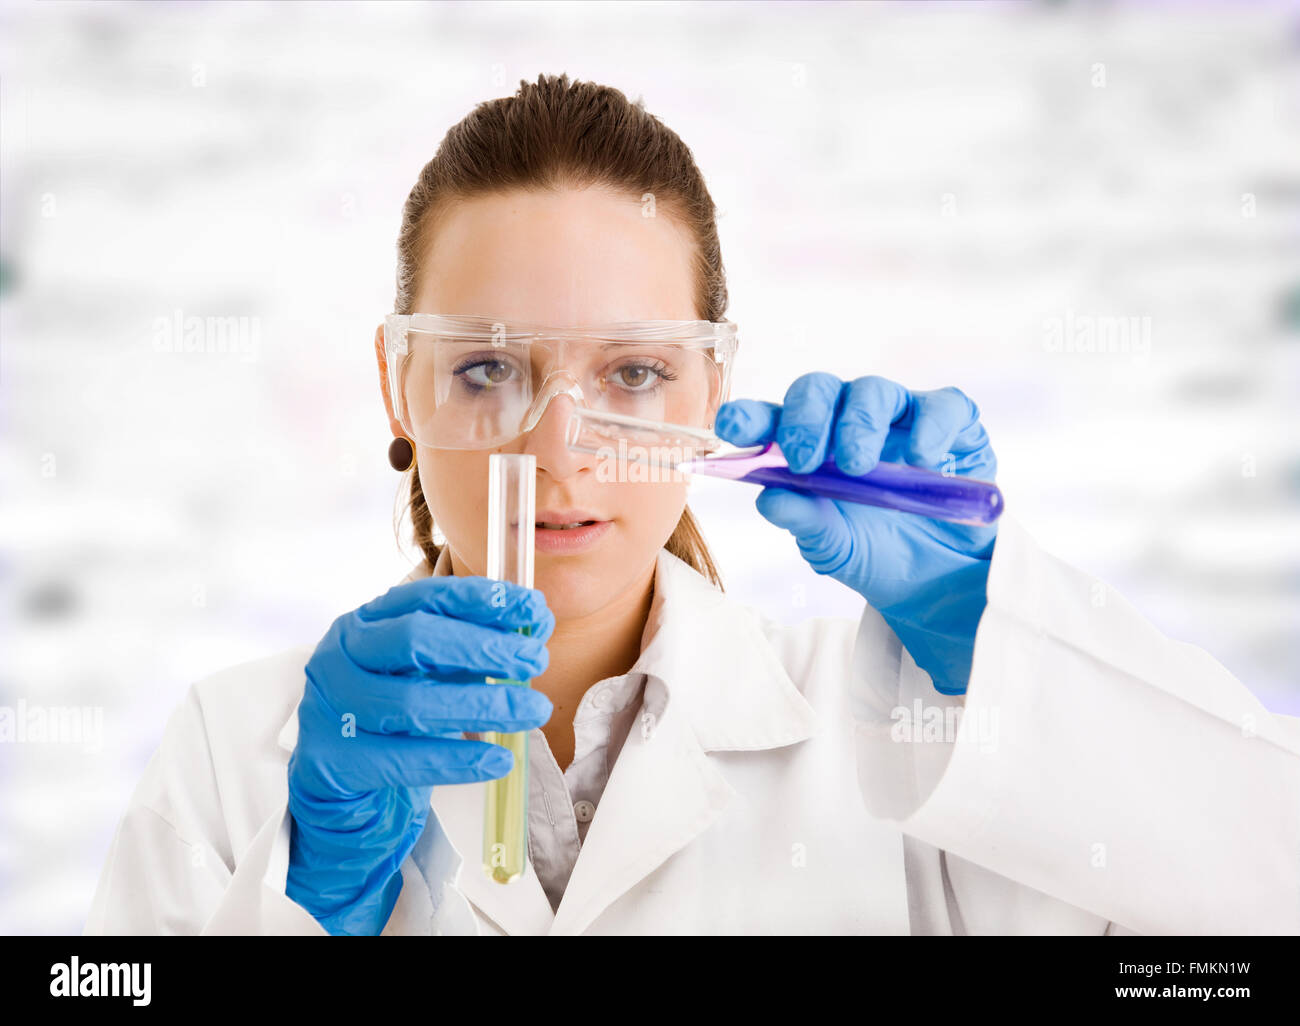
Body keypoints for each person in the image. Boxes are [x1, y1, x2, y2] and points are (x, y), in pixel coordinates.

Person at [84, 74, 1300, 937]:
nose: (558, 449)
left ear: (710, 393)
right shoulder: (240, 755)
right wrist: (307, 909)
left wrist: (995, 641)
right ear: (398, 389)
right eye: (485, 368)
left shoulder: (901, 732)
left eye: (632, 373)